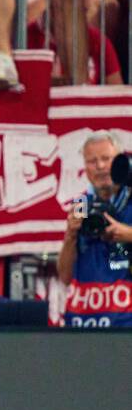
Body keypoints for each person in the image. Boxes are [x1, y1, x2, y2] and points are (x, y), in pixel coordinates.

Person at [57, 131, 132, 327]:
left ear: (120, 162)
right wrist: (70, 235)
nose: (99, 167)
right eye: (92, 161)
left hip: (126, 322)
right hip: (84, 321)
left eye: (106, 159)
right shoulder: (80, 202)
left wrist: (128, 234)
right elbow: (65, 277)